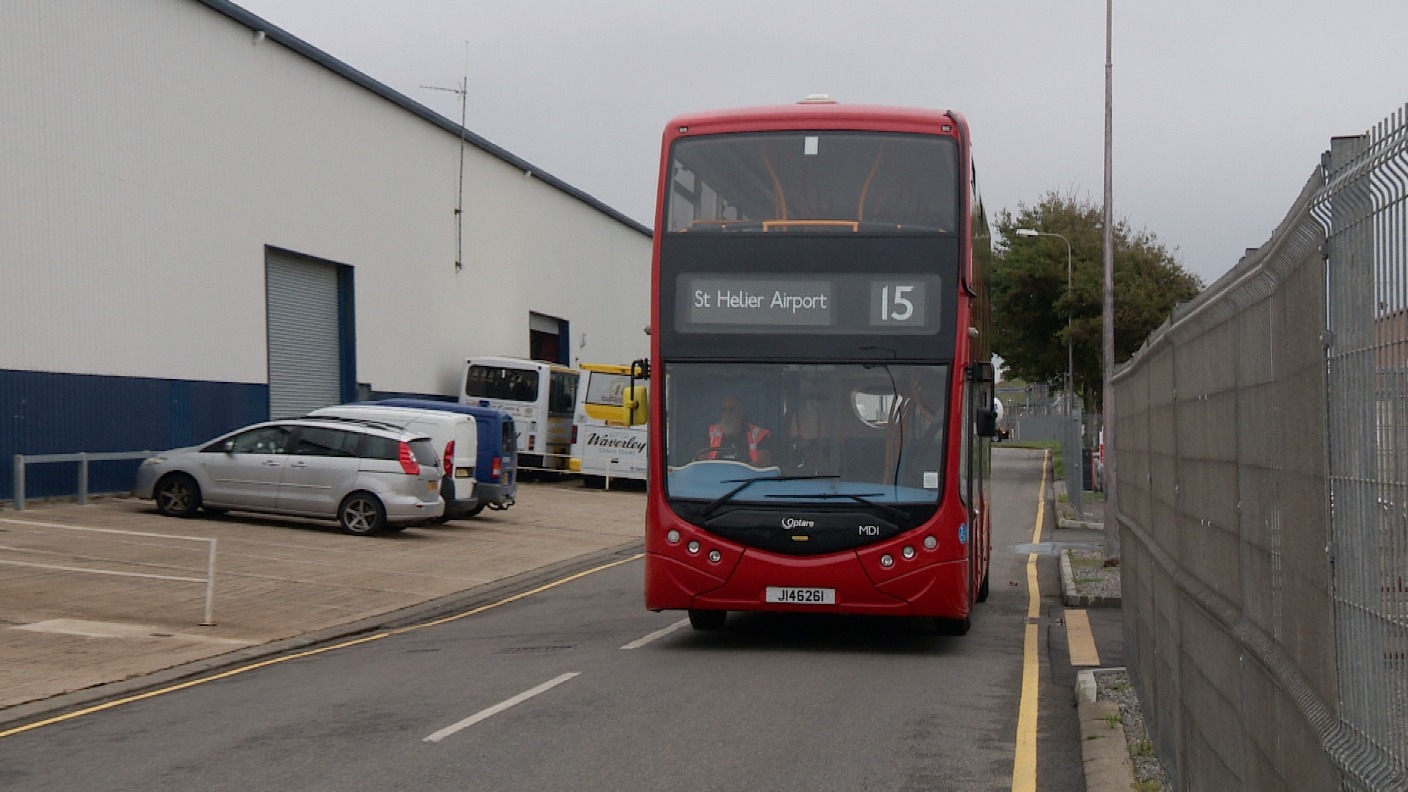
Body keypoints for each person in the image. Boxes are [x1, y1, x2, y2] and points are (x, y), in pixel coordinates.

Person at [703, 394, 772, 466]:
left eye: (732, 410)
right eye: (724, 409)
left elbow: (764, 462)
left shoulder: (758, 435)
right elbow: (701, 461)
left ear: (741, 412)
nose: (727, 414)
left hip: (746, 473)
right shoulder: (711, 432)